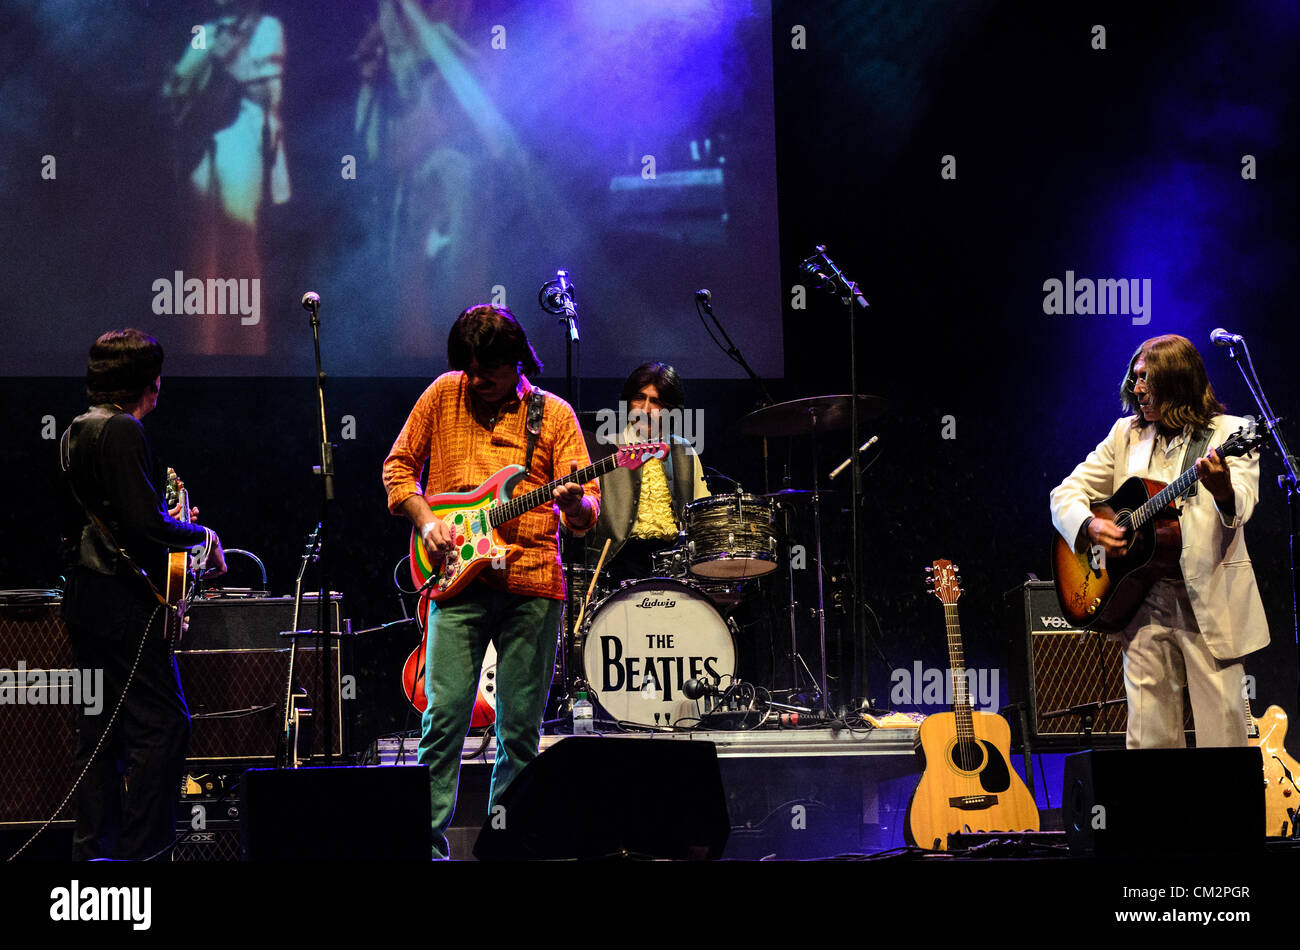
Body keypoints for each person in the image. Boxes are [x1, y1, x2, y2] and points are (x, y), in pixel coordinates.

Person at [382, 304, 598, 858]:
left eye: (488, 373)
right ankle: (424, 849)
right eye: (469, 370)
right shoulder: (442, 395)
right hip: (456, 585)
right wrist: (426, 521)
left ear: (517, 360)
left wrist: (576, 505)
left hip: (531, 585)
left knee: (519, 733)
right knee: (444, 719)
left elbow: (587, 513)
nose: (476, 382)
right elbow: (398, 467)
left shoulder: (554, 415)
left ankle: (511, 848)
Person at [1049, 334, 1268, 749]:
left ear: (1177, 381)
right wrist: (1090, 526)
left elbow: (1242, 507)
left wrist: (1221, 488)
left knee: (1224, 741)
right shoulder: (1126, 434)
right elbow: (1064, 494)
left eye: (1147, 378)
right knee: (1150, 746)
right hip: (1143, 603)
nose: (1137, 389)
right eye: (1135, 378)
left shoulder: (1232, 432)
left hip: (1212, 605)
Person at [60, 329, 226, 860]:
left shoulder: (75, 430)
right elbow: (142, 526)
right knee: (166, 725)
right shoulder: (125, 430)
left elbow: (111, 516)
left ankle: (95, 855)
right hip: (123, 604)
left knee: (100, 732)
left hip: (84, 599)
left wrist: (167, 522)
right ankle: (143, 853)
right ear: (145, 382)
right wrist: (199, 534)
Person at [590, 361, 709, 583]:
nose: (645, 409)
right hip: (617, 563)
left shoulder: (684, 450)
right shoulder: (605, 449)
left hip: (675, 563)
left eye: (655, 401)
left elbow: (702, 514)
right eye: (639, 399)